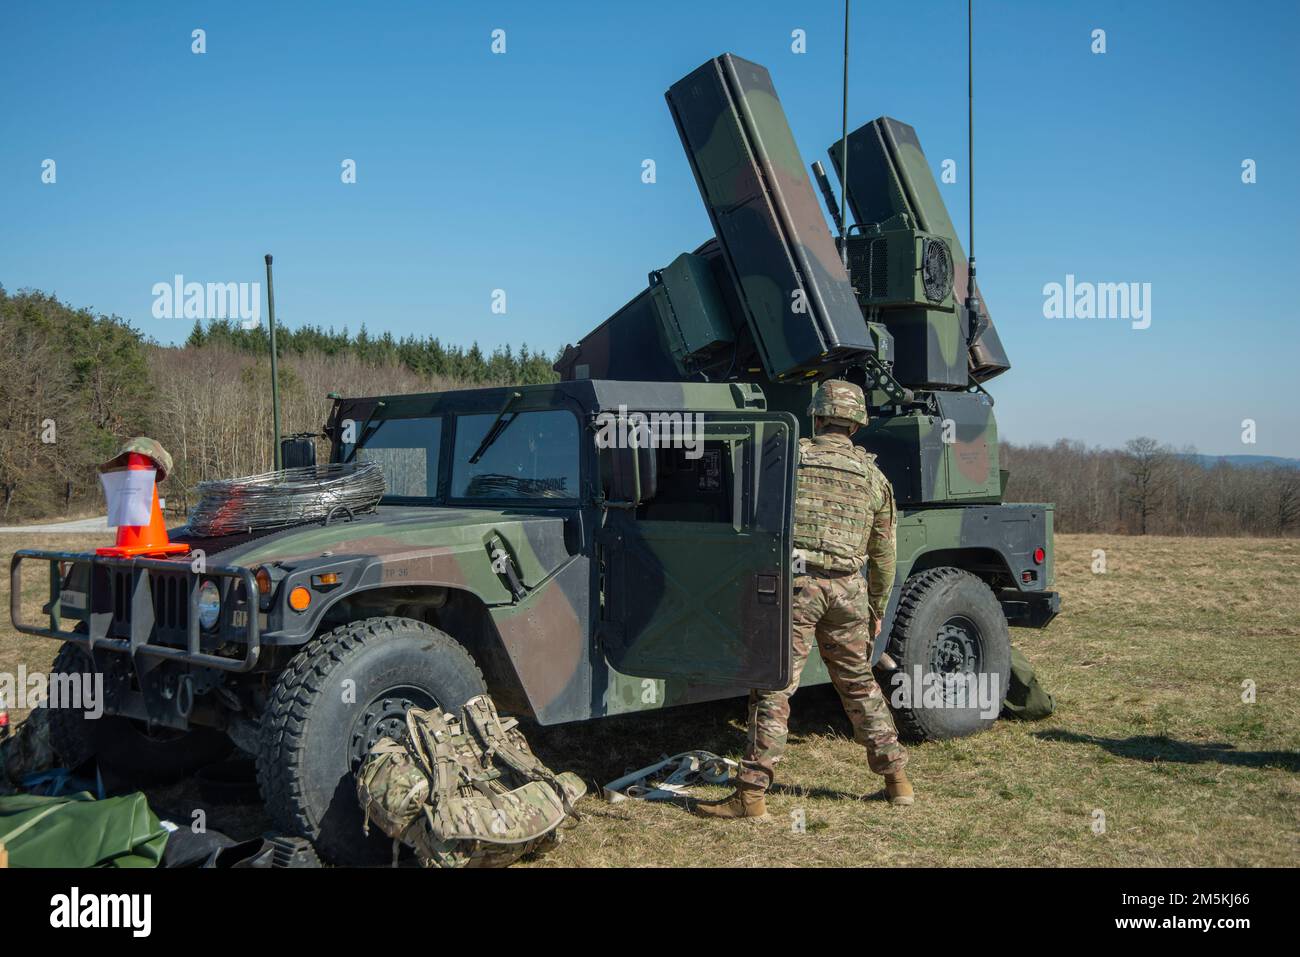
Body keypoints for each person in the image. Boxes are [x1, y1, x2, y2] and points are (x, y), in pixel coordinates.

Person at [695, 380, 913, 819]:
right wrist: (875, 609)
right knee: (859, 684)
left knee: (774, 686)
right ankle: (897, 781)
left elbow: (755, 521)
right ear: (856, 423)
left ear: (816, 416)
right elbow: (885, 556)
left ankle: (751, 796)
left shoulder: (791, 461)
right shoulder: (874, 477)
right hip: (848, 590)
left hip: (794, 588)